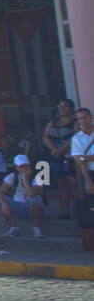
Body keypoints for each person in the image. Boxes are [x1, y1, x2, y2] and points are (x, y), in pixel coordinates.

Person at [43, 99, 77, 218]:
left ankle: (77, 210)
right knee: (61, 184)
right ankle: (65, 211)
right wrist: (53, 149)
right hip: (55, 156)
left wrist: (62, 149)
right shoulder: (53, 122)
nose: (61, 108)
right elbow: (46, 136)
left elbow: (75, 137)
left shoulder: (75, 123)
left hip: (70, 156)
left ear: (71, 109)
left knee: (73, 184)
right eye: (59, 106)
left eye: (64, 106)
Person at [0, 154, 44, 238]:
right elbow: (0, 192)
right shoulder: (12, 177)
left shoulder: (38, 177)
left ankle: (37, 230)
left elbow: (31, 194)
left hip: (32, 207)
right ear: (16, 168)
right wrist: (4, 205)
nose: (24, 169)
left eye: (26, 166)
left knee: (34, 199)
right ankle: (14, 227)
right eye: (21, 166)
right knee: (1, 200)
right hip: (17, 206)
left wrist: (25, 178)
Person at [69, 108, 94, 251]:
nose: (82, 121)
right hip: (89, 173)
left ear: (90, 118)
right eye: (80, 119)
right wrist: (88, 181)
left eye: (84, 118)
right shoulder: (77, 138)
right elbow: (79, 161)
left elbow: (83, 158)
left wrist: (85, 158)